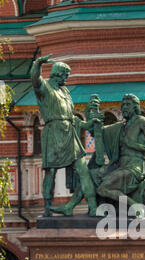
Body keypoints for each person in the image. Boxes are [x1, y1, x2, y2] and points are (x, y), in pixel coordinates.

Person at [50, 93, 145, 217]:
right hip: (119, 167)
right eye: (123, 105)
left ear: (135, 107)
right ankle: (69, 207)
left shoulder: (142, 122)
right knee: (89, 175)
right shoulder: (120, 127)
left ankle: (135, 206)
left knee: (103, 188)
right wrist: (90, 114)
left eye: (128, 105)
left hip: (135, 169)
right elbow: (98, 132)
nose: (124, 107)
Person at [31, 54, 99, 216]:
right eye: (65, 75)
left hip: (69, 131)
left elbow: (72, 117)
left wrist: (89, 123)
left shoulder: (65, 91)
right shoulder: (45, 88)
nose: (67, 78)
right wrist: (38, 63)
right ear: (57, 74)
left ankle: (93, 206)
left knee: (83, 169)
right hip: (53, 133)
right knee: (51, 171)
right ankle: (47, 208)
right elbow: (35, 79)